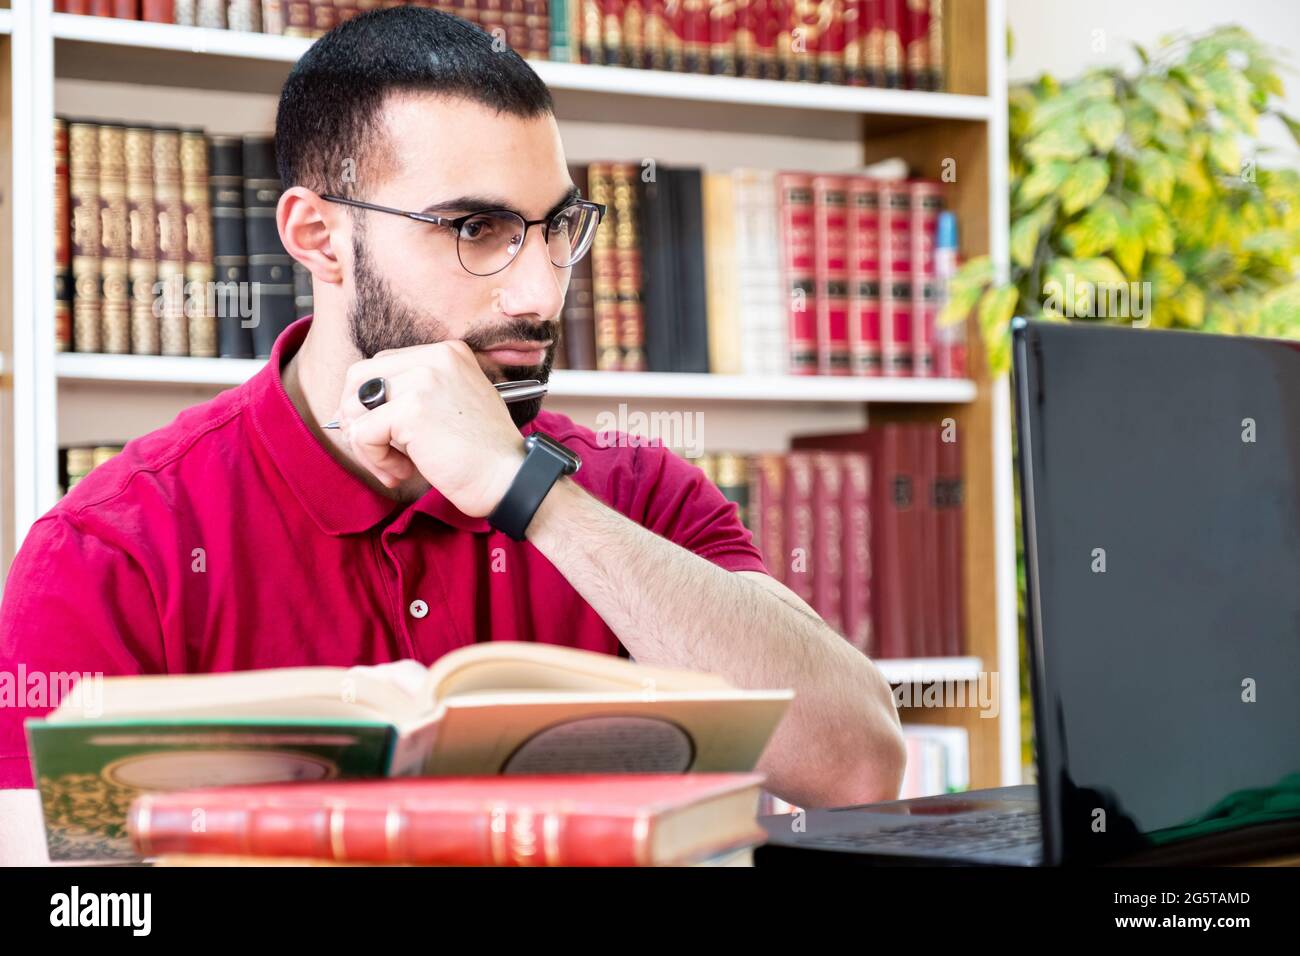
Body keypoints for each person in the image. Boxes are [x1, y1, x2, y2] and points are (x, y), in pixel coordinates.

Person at [0, 7, 904, 835]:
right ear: (319, 237)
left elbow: (859, 768)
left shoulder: (633, 489)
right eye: (476, 228)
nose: (541, 290)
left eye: (557, 228)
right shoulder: (109, 550)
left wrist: (531, 495)